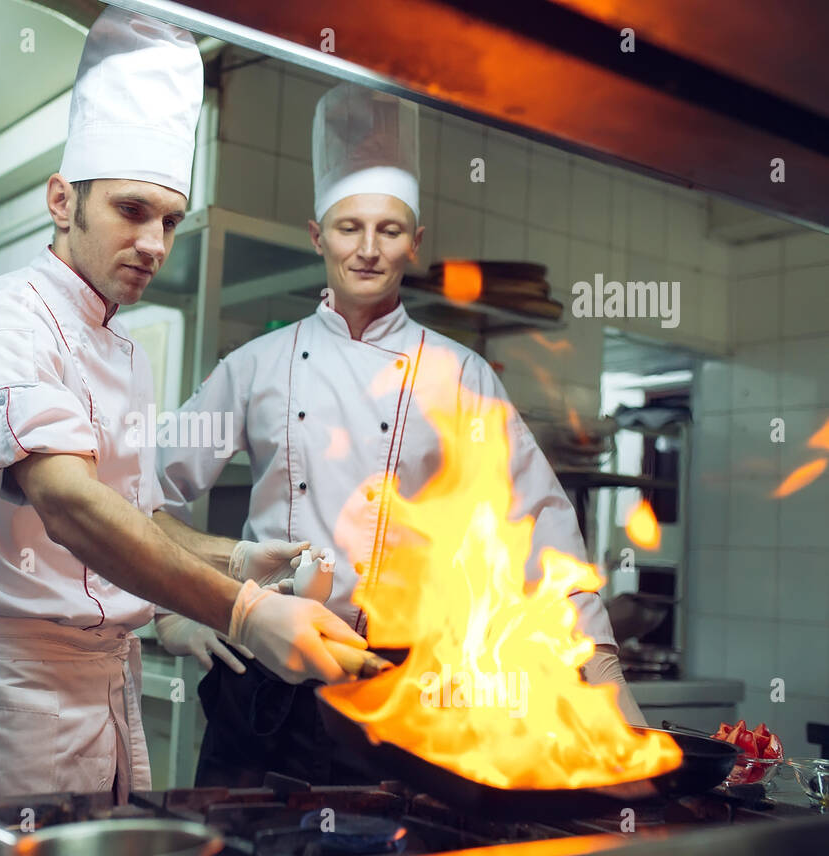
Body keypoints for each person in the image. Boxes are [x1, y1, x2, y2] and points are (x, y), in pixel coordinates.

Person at [0, 9, 366, 803]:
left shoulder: (121, 348)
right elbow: (69, 504)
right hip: (6, 701)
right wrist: (245, 610)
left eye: (169, 219)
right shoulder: (1, 318)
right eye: (130, 211)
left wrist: (228, 556)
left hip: (102, 695)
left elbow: (136, 514)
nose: (155, 242)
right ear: (62, 200)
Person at [154, 83, 646, 788]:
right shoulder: (255, 365)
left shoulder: (460, 374)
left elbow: (540, 521)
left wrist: (599, 666)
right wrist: (180, 611)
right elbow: (142, 494)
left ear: (415, 243)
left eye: (389, 230)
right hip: (260, 692)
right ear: (317, 234)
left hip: (396, 691)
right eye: (348, 228)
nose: (367, 250)